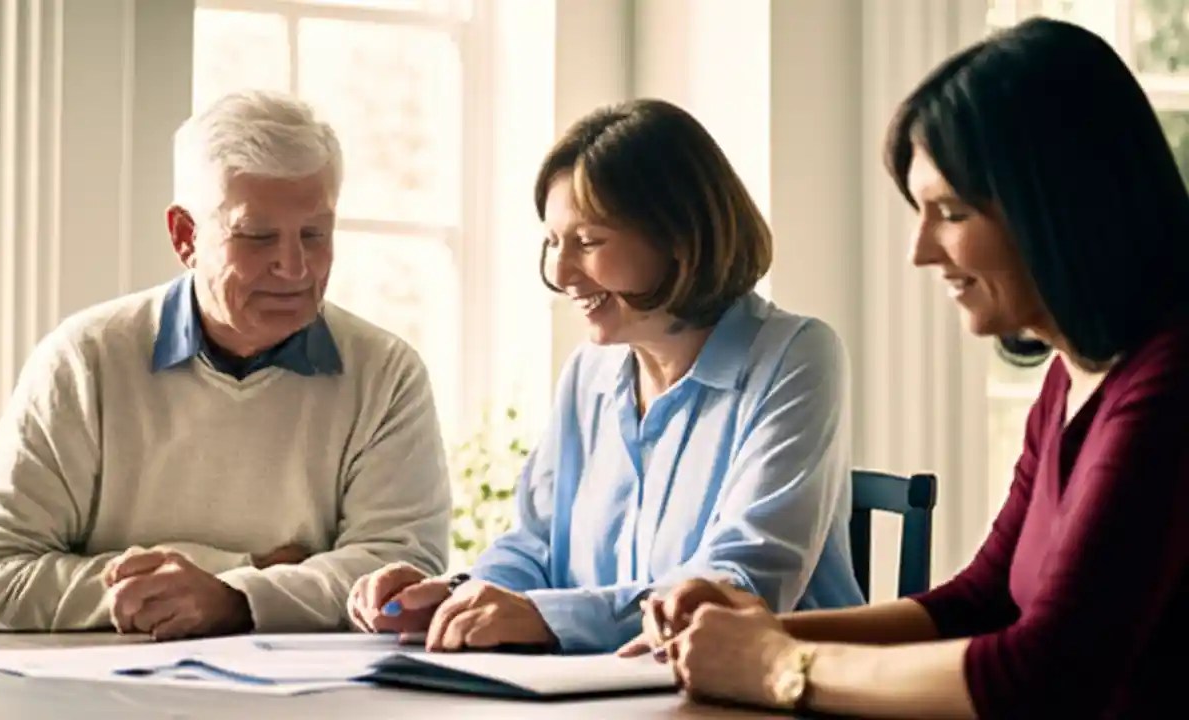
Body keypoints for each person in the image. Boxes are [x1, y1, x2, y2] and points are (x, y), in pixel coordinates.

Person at [628, 18, 1189, 719]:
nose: (920, 251)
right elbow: (981, 601)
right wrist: (756, 635)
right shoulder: (1074, 375)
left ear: (1058, 211)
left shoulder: (1167, 387)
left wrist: (780, 665)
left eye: (949, 213)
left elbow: (1043, 674)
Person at [347, 98, 863, 655]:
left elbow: (741, 581)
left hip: (765, 694)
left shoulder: (798, 355)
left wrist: (542, 618)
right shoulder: (590, 372)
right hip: (610, 693)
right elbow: (536, 545)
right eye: (552, 243)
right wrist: (455, 596)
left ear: (678, 237)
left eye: (588, 243)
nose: (562, 273)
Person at [0, 90, 452, 639]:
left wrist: (233, 599)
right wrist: (246, 571)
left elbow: (401, 572)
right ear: (185, 236)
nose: (294, 266)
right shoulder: (84, 360)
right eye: (257, 237)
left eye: (315, 234)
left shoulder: (387, 374)